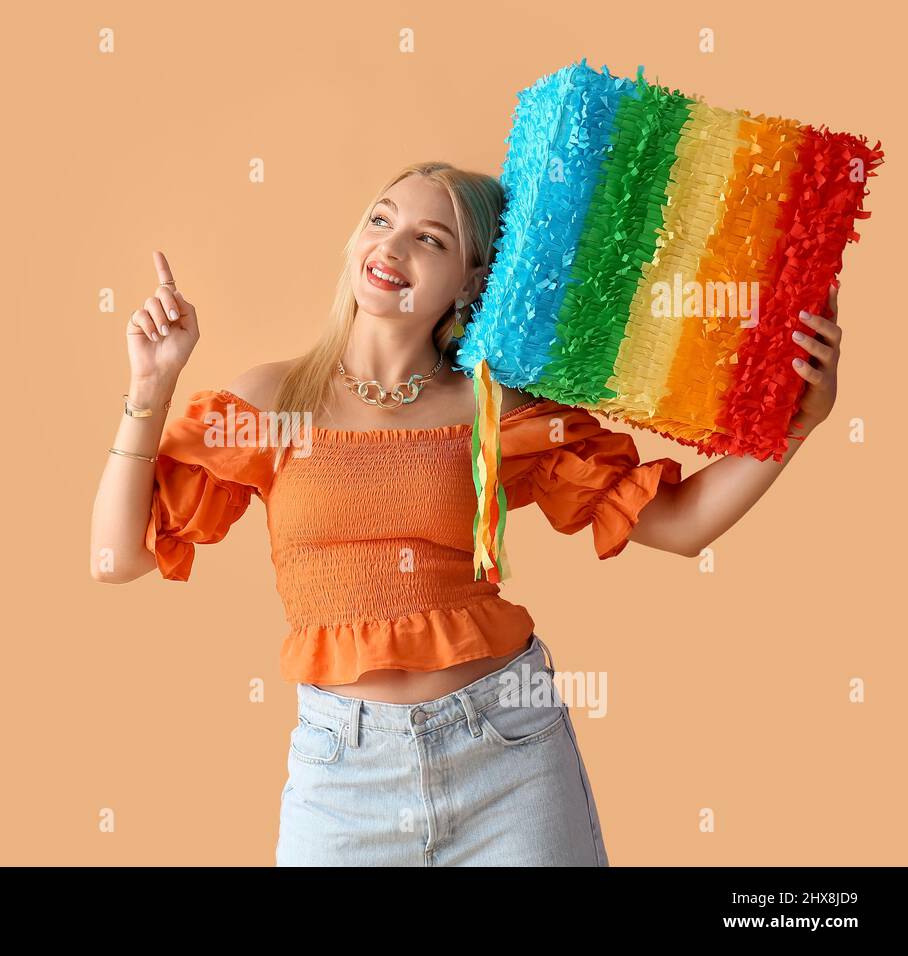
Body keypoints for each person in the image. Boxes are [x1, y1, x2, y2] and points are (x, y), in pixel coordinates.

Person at [89, 161, 842, 866]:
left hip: (508, 752)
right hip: (342, 773)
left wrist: (799, 425)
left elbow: (678, 524)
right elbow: (117, 559)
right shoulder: (271, 402)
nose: (392, 247)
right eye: (381, 220)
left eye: (430, 239)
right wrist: (150, 388)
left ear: (472, 279)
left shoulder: (497, 407)